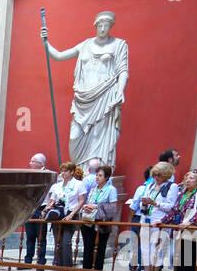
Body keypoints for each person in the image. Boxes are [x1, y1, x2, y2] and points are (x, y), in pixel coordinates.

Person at [39, 12, 129, 166]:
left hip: (105, 95)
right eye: (100, 25)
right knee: (75, 137)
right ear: (95, 26)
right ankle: (79, 171)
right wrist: (45, 43)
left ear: (111, 27)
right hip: (83, 99)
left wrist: (120, 90)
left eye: (106, 25)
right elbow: (59, 56)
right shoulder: (85, 45)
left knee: (98, 135)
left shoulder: (119, 45)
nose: (102, 28)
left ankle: (97, 171)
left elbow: (123, 71)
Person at [160, 169, 197, 271]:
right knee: (178, 254)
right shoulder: (184, 192)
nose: (188, 180)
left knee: (188, 255)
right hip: (181, 225)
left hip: (192, 226)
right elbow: (175, 209)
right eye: (186, 178)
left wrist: (191, 222)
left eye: (191, 178)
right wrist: (162, 221)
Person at [131, 161, 178, 271]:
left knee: (157, 249)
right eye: (155, 175)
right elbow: (144, 204)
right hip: (146, 219)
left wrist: (155, 203)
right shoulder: (151, 185)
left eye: (159, 175)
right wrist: (144, 203)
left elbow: (171, 207)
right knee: (145, 249)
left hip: (160, 222)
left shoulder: (172, 186)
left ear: (166, 175)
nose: (156, 178)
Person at [79, 164, 117, 271]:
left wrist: (96, 206)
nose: (97, 177)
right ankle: (86, 268)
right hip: (89, 220)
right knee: (88, 246)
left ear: (106, 177)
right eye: (96, 175)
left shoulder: (111, 189)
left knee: (100, 246)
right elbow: (89, 202)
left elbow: (113, 207)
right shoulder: (93, 189)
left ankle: (97, 269)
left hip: (102, 222)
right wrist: (86, 207)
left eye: (100, 176)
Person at [45, 162, 81, 271]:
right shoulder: (58, 186)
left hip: (71, 214)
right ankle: (57, 266)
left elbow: (81, 201)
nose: (63, 173)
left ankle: (67, 267)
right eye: (62, 171)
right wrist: (49, 207)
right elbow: (52, 200)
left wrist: (71, 214)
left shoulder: (78, 184)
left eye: (65, 171)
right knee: (58, 241)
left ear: (72, 172)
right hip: (58, 215)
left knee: (66, 242)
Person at [23, 152, 50, 266]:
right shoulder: (31, 174)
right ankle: (28, 260)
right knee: (30, 235)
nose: (30, 163)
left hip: (42, 207)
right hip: (30, 207)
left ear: (40, 163)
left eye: (32, 161)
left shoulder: (48, 174)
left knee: (41, 236)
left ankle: (41, 261)